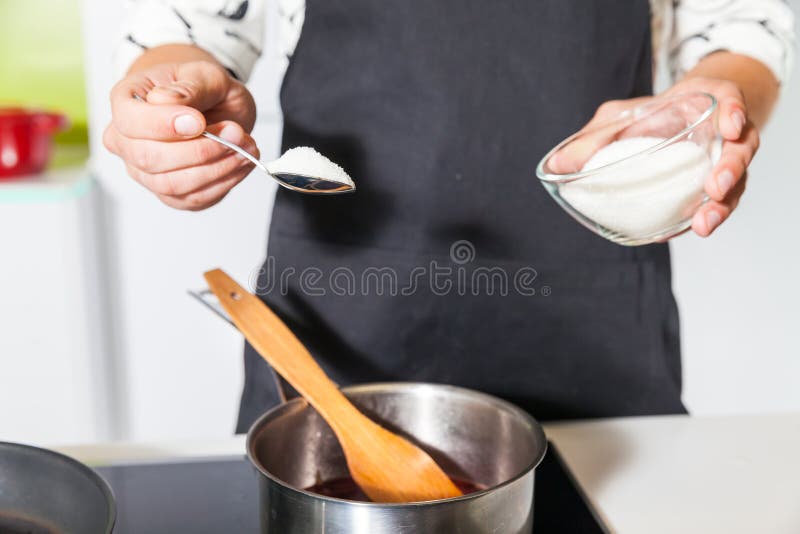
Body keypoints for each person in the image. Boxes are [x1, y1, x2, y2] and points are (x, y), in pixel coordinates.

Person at [105, 0, 795, 432]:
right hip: (337, 343)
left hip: (601, 333)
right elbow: (184, 26)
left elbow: (743, 24)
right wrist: (170, 99)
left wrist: (716, 98)